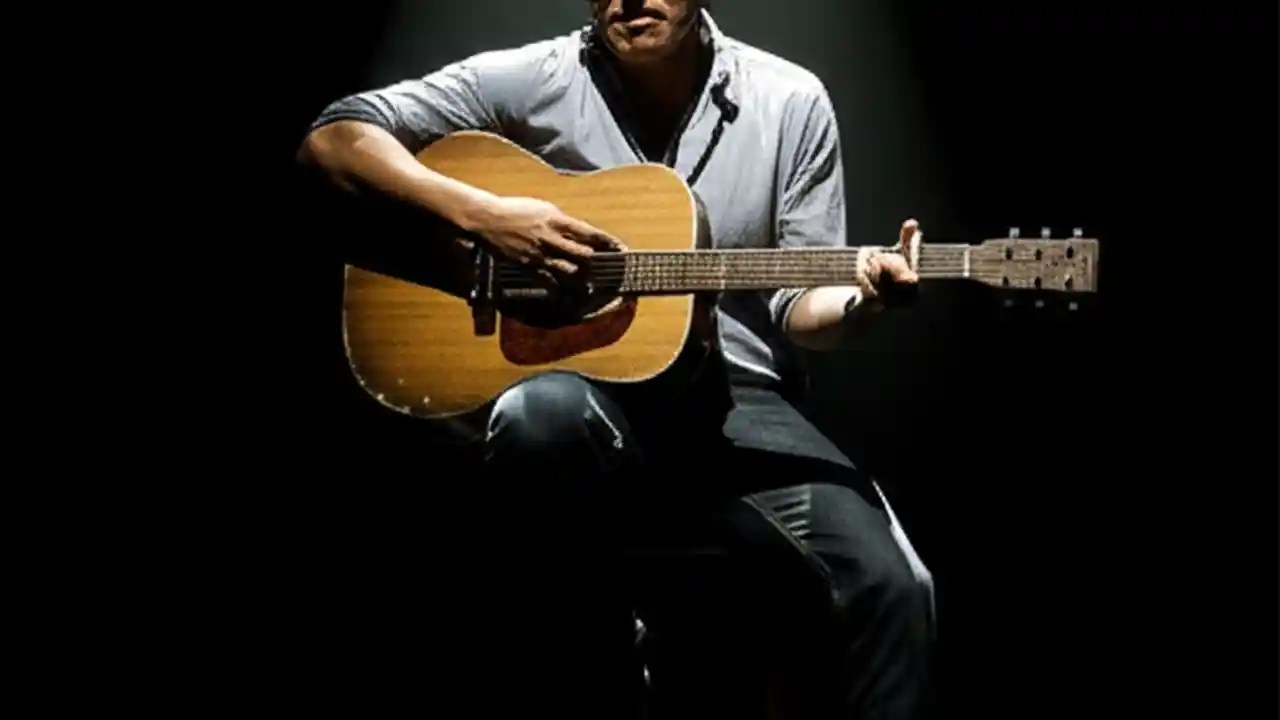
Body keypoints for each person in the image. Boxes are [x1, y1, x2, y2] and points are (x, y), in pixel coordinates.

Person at [297, 1, 936, 718]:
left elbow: (800, 310)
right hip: (581, 391)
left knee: (894, 586)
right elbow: (334, 140)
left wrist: (865, 302)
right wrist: (486, 217)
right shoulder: (534, 78)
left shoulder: (789, 99)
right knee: (538, 415)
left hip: (736, 410)